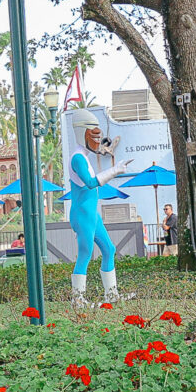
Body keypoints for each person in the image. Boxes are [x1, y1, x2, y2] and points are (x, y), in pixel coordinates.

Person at [67, 108, 132, 305]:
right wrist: (115, 170)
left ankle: (111, 295)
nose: (98, 140)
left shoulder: (83, 156)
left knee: (109, 249)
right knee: (85, 253)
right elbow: (90, 182)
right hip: (82, 214)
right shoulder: (77, 158)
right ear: (82, 133)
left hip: (90, 214)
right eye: (94, 135)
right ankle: (77, 299)